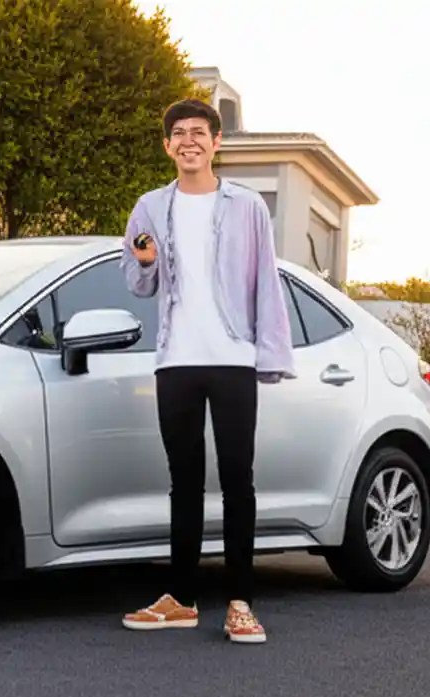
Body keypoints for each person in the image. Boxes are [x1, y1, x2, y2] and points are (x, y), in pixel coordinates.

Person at [118, 98, 296, 644]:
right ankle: (182, 598)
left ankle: (241, 602)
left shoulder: (246, 208)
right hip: (176, 361)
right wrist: (146, 262)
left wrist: (271, 354)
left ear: (216, 142)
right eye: (178, 133)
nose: (188, 140)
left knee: (238, 481)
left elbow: (266, 280)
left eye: (199, 132)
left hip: (233, 359)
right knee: (184, 484)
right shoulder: (149, 206)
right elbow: (136, 281)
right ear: (167, 145)